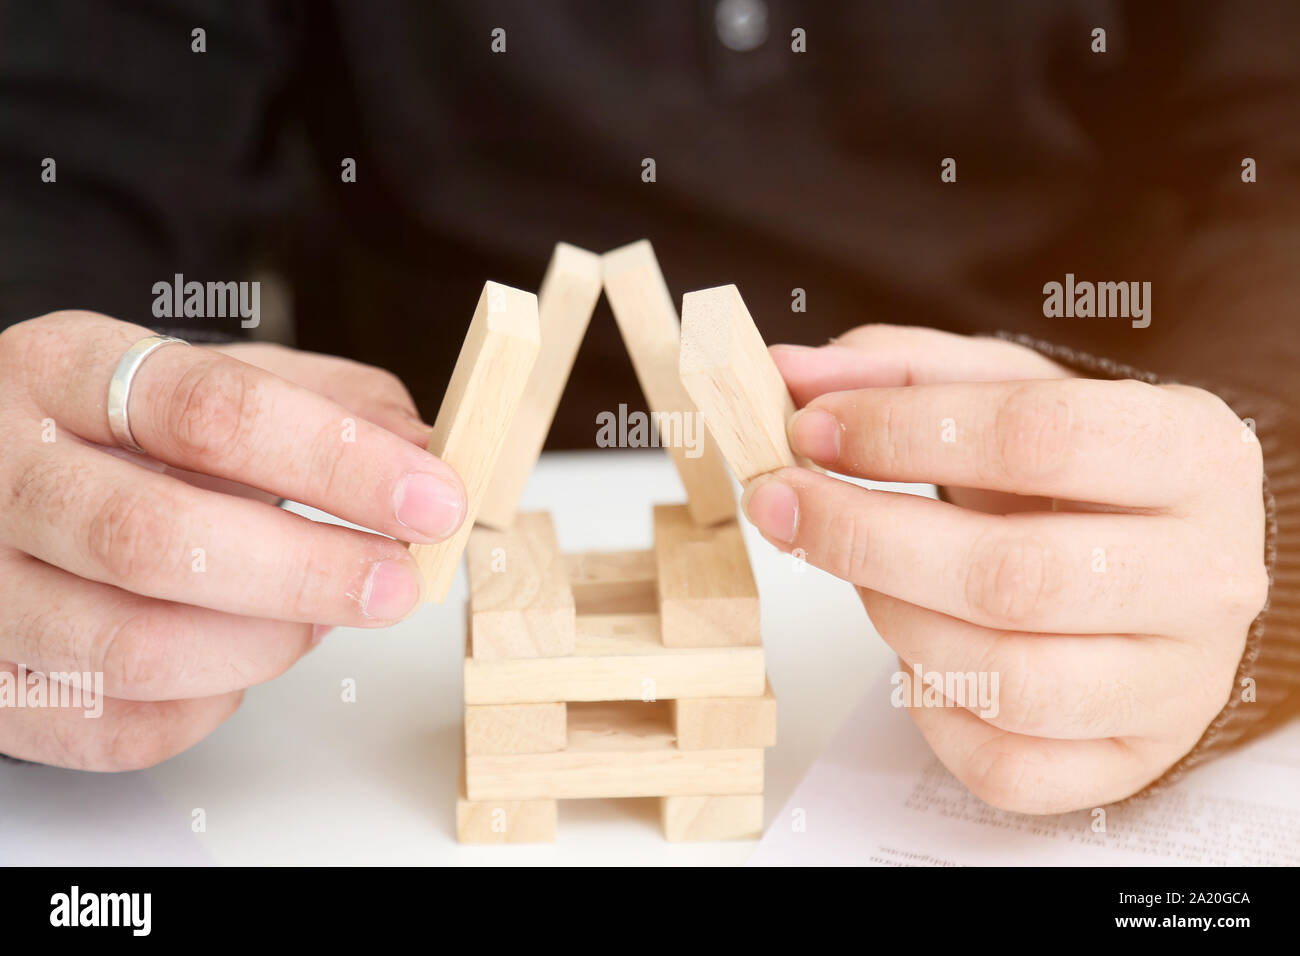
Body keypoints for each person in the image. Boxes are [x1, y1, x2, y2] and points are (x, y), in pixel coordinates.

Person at [0, 0, 1295, 815]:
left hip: (999, 515)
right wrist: (38, 437)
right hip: (393, 575)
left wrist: (1263, 493)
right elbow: (64, 134)